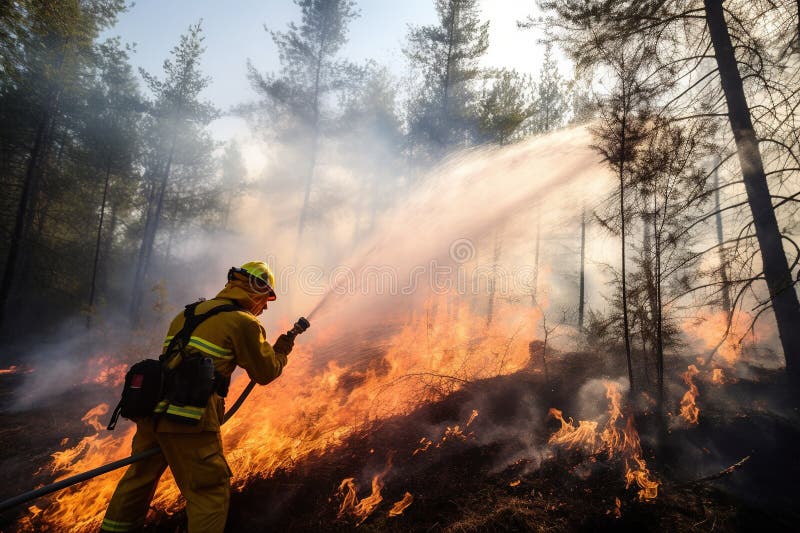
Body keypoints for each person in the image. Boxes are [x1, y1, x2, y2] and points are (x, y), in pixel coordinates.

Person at [101, 261, 296, 533]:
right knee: (209, 490)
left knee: (138, 479)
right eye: (266, 300)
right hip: (189, 418)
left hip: (153, 414)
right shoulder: (244, 322)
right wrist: (282, 352)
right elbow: (265, 373)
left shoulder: (188, 313)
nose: (264, 308)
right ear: (257, 292)